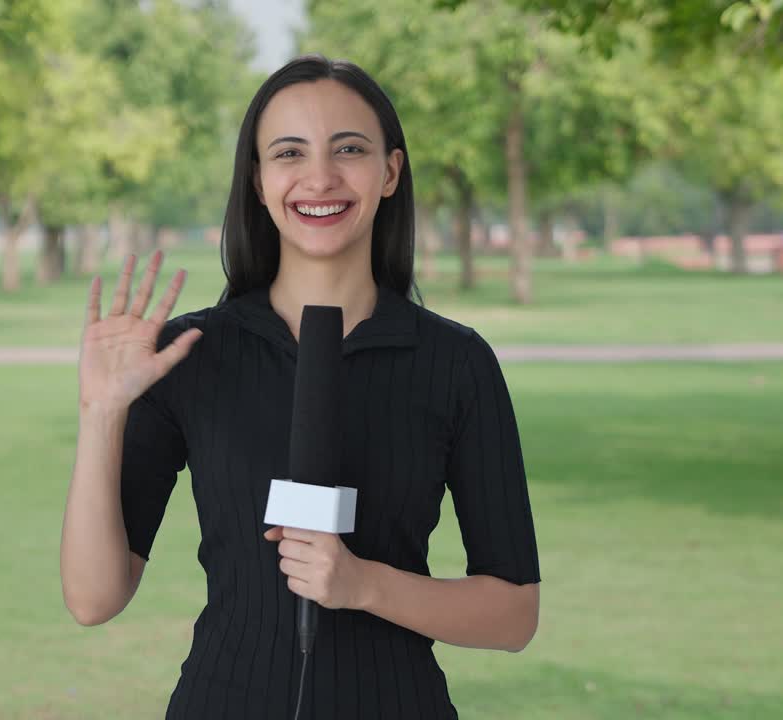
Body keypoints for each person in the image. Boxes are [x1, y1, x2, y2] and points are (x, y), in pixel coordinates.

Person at [61, 55, 540, 720]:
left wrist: (363, 584)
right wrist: (101, 411)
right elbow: (93, 599)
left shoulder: (455, 362)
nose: (320, 177)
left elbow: (513, 614)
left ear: (390, 172)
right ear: (258, 181)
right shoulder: (190, 355)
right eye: (290, 152)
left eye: (349, 149)